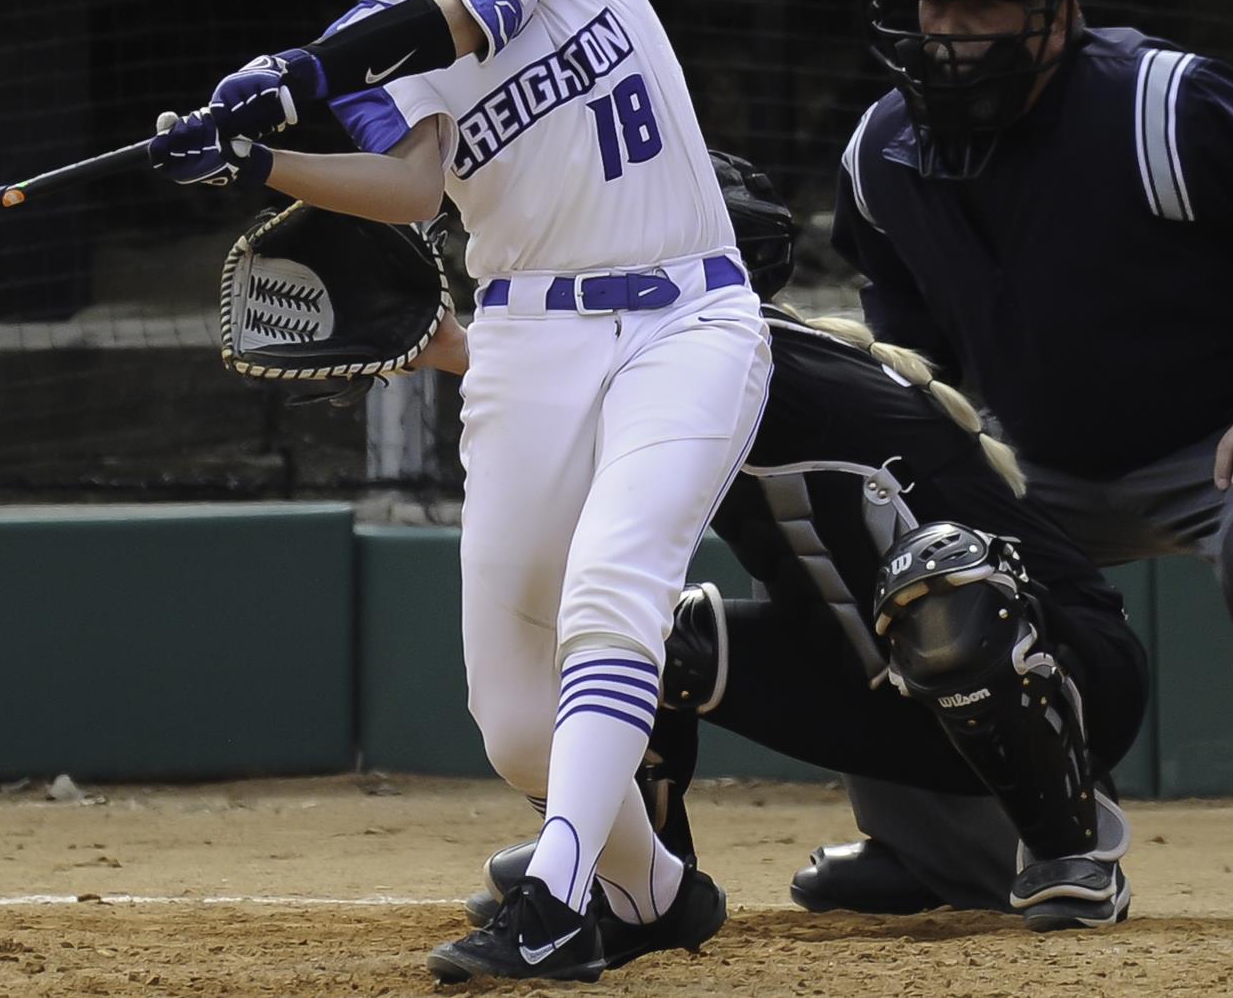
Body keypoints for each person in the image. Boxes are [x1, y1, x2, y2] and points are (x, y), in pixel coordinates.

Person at [149, 0, 771, 983]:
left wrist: (302, 75)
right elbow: (411, 186)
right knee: (513, 722)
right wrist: (252, 160)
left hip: (688, 319)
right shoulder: (364, 36)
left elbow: (480, 4)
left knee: (610, 587)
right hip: (527, 339)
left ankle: (552, 903)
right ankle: (649, 891)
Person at [439, 154, 1147, 933]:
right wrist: (451, 346)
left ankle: (1070, 852)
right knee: (649, 631)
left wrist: (458, 347)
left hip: (1073, 678)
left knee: (943, 580)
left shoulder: (754, 363)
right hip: (900, 696)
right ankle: (634, 877)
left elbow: (591, 394)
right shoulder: (722, 362)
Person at [815, 0, 1233, 912]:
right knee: (889, 550)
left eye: (976, 6)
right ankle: (938, 848)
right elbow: (908, 359)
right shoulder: (882, 152)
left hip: (1219, 440)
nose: (945, 31)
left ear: (1053, 17)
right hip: (1037, 458)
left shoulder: (1164, 107)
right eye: (927, 6)